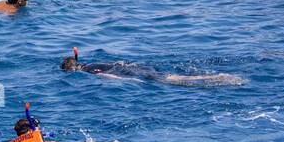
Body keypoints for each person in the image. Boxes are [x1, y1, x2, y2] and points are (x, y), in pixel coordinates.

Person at [61, 51, 243, 86]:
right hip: (131, 67)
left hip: (126, 74)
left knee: (171, 82)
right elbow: (119, 63)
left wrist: (129, 81)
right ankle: (214, 76)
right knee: (170, 77)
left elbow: (110, 77)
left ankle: (212, 80)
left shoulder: (88, 72)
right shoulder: (93, 63)